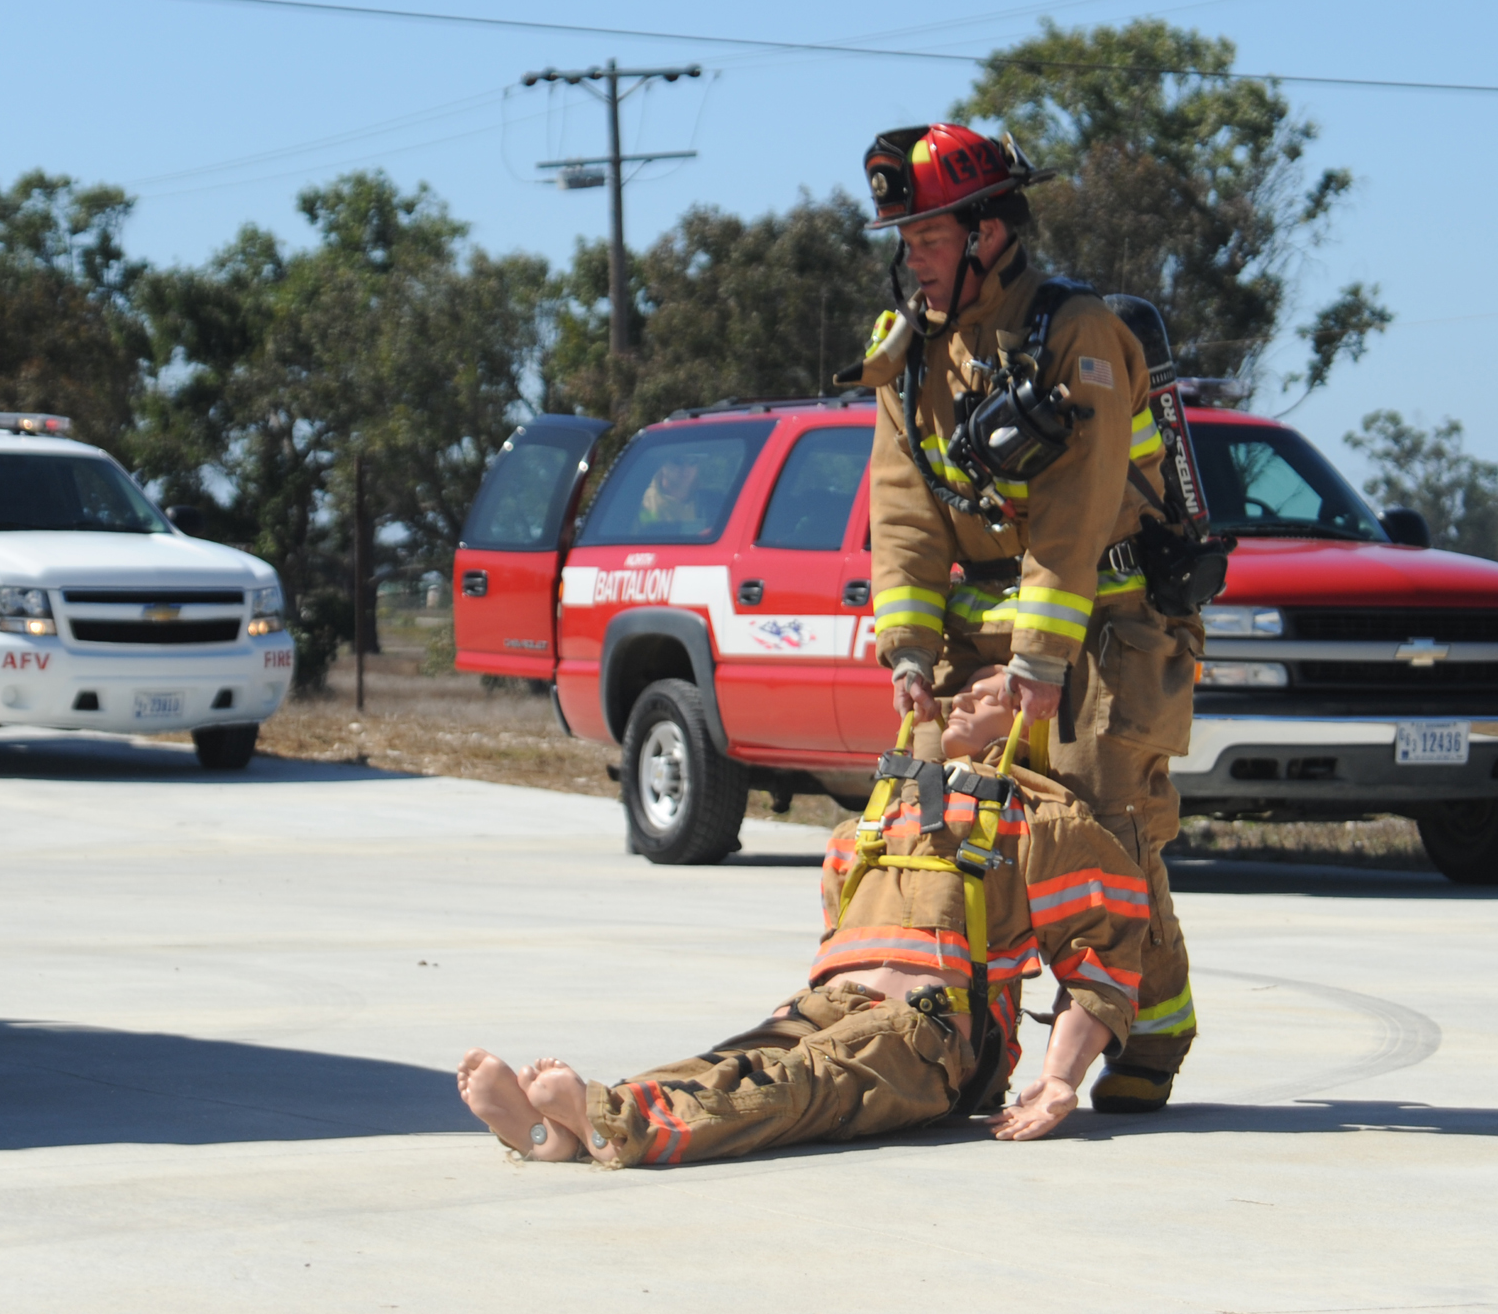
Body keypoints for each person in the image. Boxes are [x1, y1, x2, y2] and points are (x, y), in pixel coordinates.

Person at [842, 122, 1200, 1112]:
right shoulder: (910, 348)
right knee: (945, 829)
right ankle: (969, 1043)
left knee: (1103, 836)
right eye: (905, 235)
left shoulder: (1076, 334)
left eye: (930, 233)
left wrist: (1040, 660)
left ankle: (1148, 1036)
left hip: (1103, 636)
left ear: (990, 232)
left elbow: (1077, 515)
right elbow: (902, 506)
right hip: (976, 645)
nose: (911, 251)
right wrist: (909, 645)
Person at [457, 668, 1152, 1166]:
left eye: (992, 687)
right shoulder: (870, 825)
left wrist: (1060, 1079)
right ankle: (565, 1134)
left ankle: (616, 1123)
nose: (964, 692)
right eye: (959, 684)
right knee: (736, 1061)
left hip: (932, 1041)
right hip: (832, 1003)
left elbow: (1100, 965)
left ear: (1036, 718)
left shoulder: (1046, 825)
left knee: (798, 1083)